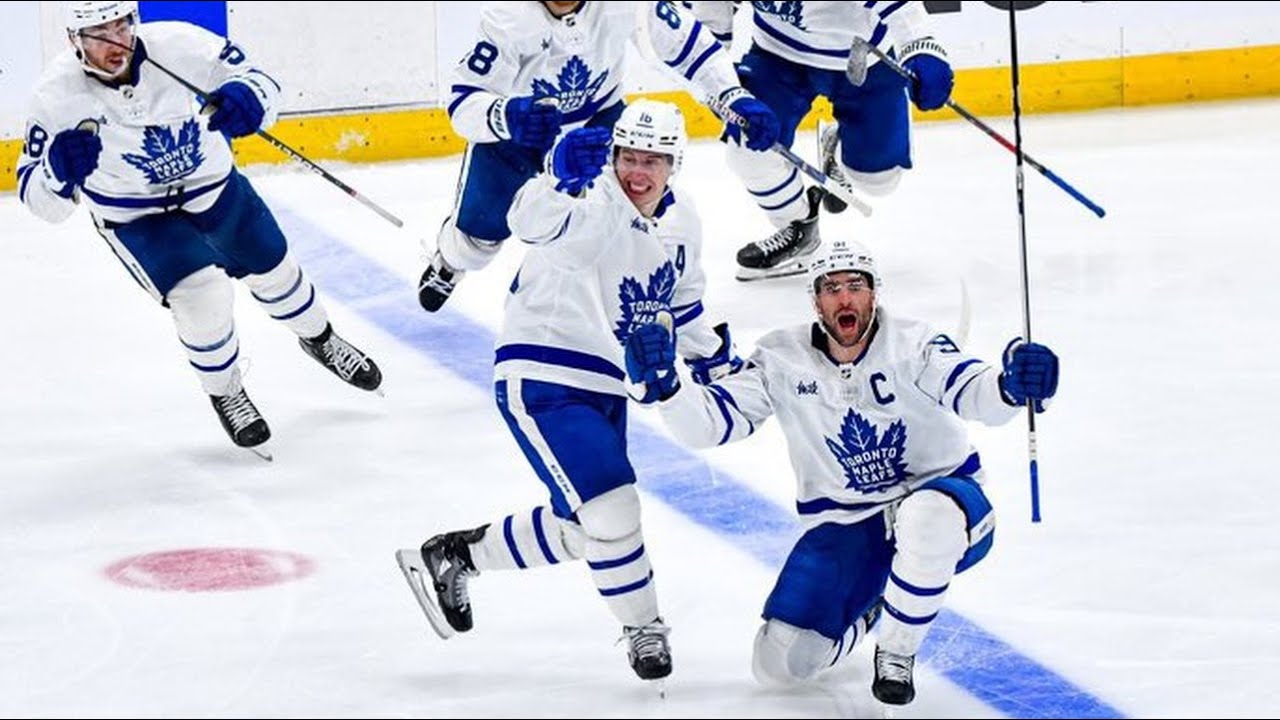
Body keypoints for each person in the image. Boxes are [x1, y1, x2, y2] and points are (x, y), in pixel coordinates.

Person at [623, 238, 1060, 704]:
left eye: (856, 285)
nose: (845, 298)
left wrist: (1012, 387)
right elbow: (710, 425)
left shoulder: (916, 345)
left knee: (925, 518)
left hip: (952, 509)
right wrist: (667, 388)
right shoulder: (781, 358)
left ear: (875, 293)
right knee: (779, 666)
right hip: (852, 527)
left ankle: (895, 652)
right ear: (815, 300)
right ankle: (874, 610)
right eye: (831, 288)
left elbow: (974, 392)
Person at [397, 100, 744, 683]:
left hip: (607, 385)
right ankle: (644, 628)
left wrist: (719, 362)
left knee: (588, 528)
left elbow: (681, 305)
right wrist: (559, 176)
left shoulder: (685, 224)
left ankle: (458, 556)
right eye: (628, 156)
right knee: (614, 509)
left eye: (653, 160)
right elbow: (528, 218)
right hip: (544, 372)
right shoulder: (585, 190)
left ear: (675, 163)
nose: (638, 172)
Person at [16, 1, 382, 456]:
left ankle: (321, 340)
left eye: (121, 25)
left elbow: (259, 80)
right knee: (203, 298)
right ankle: (226, 389)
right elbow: (39, 199)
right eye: (98, 32)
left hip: (214, 188)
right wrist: (55, 169)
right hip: (138, 217)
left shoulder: (180, 45)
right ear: (74, 40)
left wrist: (250, 100)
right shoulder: (55, 96)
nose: (116, 41)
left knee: (277, 271)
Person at [416, 0, 781, 311]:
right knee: (477, 240)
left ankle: (626, 292)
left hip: (597, 123)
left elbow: (690, 44)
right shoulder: (507, 16)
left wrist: (731, 95)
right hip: (520, 134)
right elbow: (463, 102)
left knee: (623, 216)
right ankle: (449, 263)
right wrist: (506, 115)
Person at [685, 1, 955, 280]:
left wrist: (922, 46)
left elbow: (902, 8)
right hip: (775, 56)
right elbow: (708, 23)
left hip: (862, 57)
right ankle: (800, 231)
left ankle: (837, 147)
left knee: (879, 182)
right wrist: (716, 85)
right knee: (747, 152)